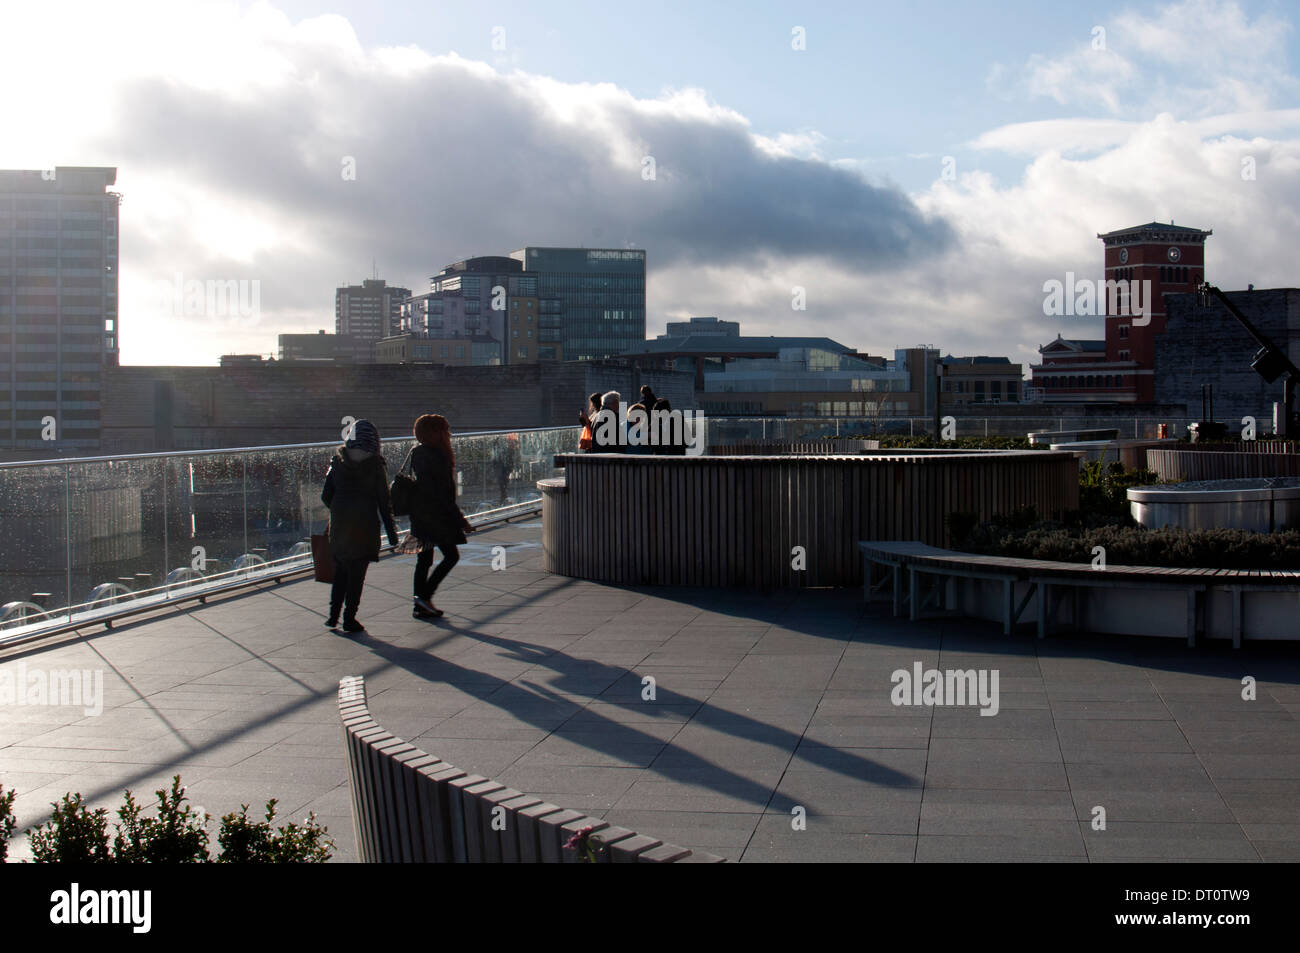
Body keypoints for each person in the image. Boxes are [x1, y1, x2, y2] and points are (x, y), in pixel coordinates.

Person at [321, 419, 399, 633]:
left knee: (341, 573)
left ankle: (332, 616)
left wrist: (339, 509)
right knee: (357, 575)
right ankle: (349, 618)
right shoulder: (375, 465)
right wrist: (392, 534)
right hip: (364, 526)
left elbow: (325, 495)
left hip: (340, 524)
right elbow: (384, 501)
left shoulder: (337, 462)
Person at [406, 413, 473, 619]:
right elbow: (444, 494)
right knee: (451, 556)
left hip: (419, 515)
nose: (448, 434)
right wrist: (460, 520)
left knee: (423, 560)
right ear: (435, 433)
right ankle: (423, 597)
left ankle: (421, 604)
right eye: (445, 430)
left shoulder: (416, 452)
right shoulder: (438, 456)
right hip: (437, 517)